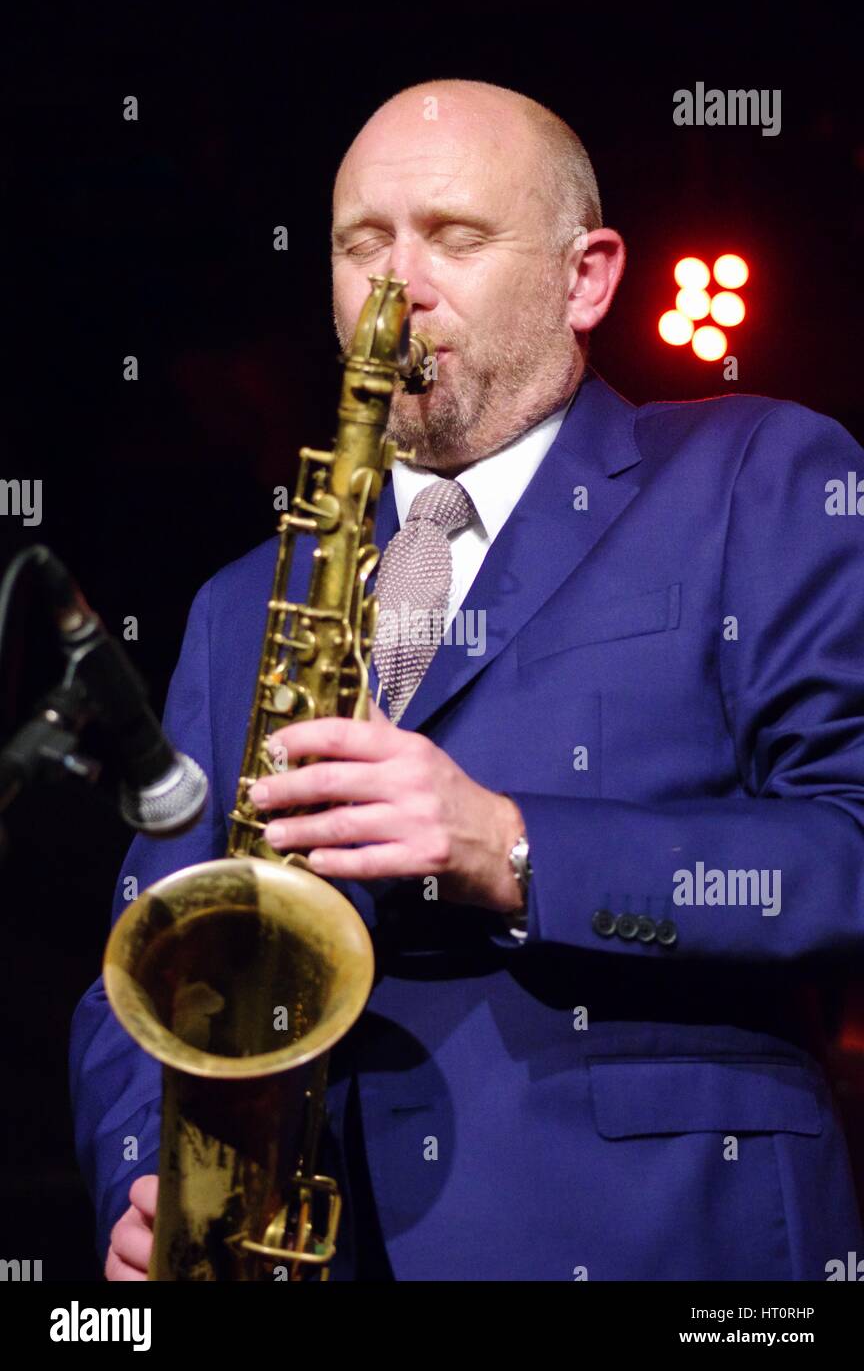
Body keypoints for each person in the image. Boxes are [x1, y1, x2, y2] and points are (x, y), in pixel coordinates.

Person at [71, 78, 864, 1282]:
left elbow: (845, 853)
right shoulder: (242, 601)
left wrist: (511, 844)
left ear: (586, 277)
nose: (396, 286)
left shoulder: (758, 472)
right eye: (360, 244)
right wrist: (151, 1187)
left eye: (454, 235)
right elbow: (151, 951)